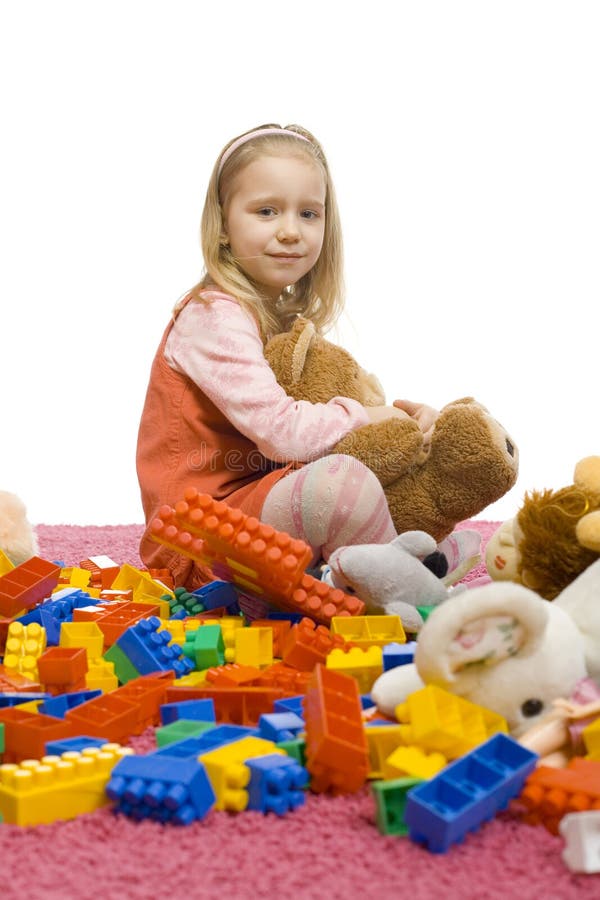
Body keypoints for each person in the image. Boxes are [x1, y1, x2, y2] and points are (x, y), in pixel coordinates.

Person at [136, 124, 439, 590]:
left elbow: (316, 412)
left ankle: (385, 567)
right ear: (222, 224)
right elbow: (284, 434)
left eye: (309, 213)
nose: (291, 231)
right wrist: (369, 418)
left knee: (372, 474)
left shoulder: (266, 313)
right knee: (342, 484)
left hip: (252, 509)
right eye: (266, 211)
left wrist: (393, 422)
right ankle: (399, 583)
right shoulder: (214, 316)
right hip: (194, 542)